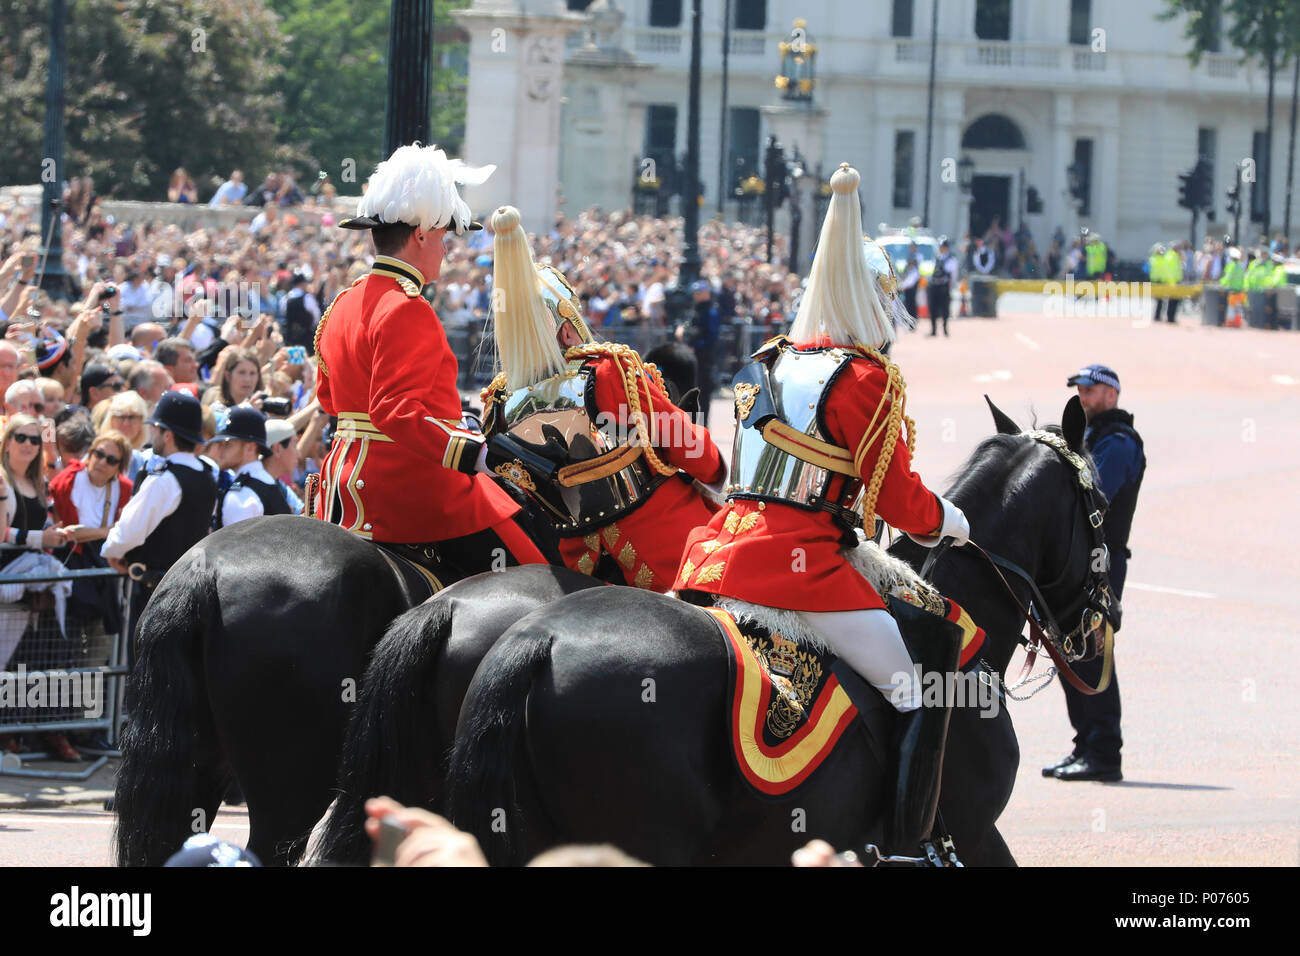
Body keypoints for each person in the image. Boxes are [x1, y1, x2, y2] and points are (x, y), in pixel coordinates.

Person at [676, 164, 971, 852]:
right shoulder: (865, 377)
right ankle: (907, 847)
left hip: (715, 552)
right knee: (919, 690)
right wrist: (949, 520)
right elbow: (899, 501)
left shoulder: (764, 361)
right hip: (796, 570)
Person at [314, 144, 548, 577]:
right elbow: (395, 411)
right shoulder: (407, 307)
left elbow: (329, 400)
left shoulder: (343, 303)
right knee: (534, 571)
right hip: (407, 489)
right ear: (420, 233)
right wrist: (475, 451)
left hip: (341, 485)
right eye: (443, 235)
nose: (446, 249)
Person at [480, 206, 723, 592]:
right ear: (566, 331)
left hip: (580, 570)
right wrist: (717, 471)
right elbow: (688, 446)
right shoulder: (609, 372)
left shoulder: (497, 407)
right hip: (668, 550)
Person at [1044, 363, 1145, 783]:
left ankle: (1104, 753)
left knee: (1094, 654)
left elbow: (1096, 495)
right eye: (1079, 391)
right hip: (1080, 563)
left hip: (1101, 566)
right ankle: (1085, 745)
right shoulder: (1090, 438)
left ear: (1111, 394)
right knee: (1072, 652)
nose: (1083, 397)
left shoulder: (1118, 443)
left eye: (1090, 390)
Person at [102, 392, 218, 641]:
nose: (152, 434)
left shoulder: (164, 479)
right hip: (190, 590)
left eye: (156, 429)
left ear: (168, 435)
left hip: (155, 593)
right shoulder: (207, 474)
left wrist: (113, 551)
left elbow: (128, 532)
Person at [49, 428, 133, 668]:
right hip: (70, 568)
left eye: (111, 460)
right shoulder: (67, 481)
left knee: (99, 647)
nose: (102, 462)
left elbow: (125, 530)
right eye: (98, 454)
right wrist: (106, 531)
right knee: (64, 645)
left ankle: (84, 701)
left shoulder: (125, 488)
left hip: (104, 572)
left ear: (119, 466)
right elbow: (67, 531)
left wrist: (91, 533)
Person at [209, 406, 292, 528]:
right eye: (219, 444)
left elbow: (234, 546)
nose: (219, 450)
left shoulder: (242, 495)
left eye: (227, 444)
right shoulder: (263, 482)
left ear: (250, 447)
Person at [682, 278, 720, 428]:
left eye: (699, 292)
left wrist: (696, 347)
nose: (696, 295)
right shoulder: (694, 308)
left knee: (703, 393)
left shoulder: (711, 311)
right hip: (691, 357)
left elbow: (712, 335)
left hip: (704, 358)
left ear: (707, 293)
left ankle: (703, 425)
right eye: (695, 292)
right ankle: (690, 424)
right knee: (689, 391)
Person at [928, 238, 958, 337]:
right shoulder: (935, 258)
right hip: (934, 285)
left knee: (945, 309)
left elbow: (953, 275)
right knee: (933, 308)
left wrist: (950, 286)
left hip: (944, 286)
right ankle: (933, 330)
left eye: (944, 247)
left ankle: (945, 329)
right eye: (941, 247)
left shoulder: (952, 260)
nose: (942, 249)